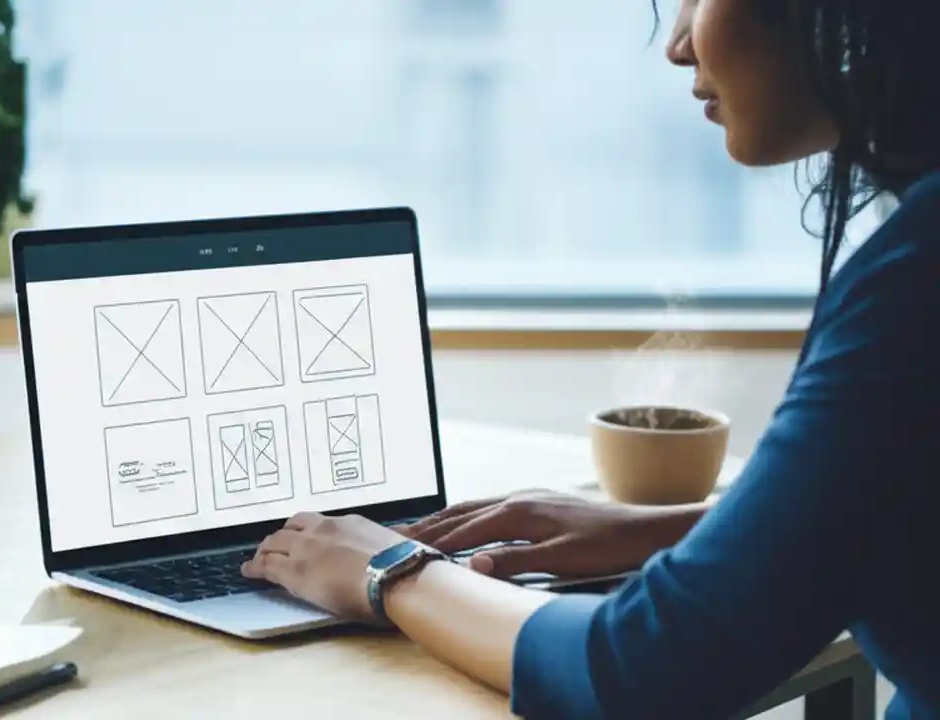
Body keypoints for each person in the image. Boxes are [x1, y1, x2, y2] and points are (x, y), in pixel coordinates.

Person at [241, 1, 940, 717]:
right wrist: (660, 531)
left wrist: (389, 570)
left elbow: (646, 666)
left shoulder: (918, 278)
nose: (676, 44)